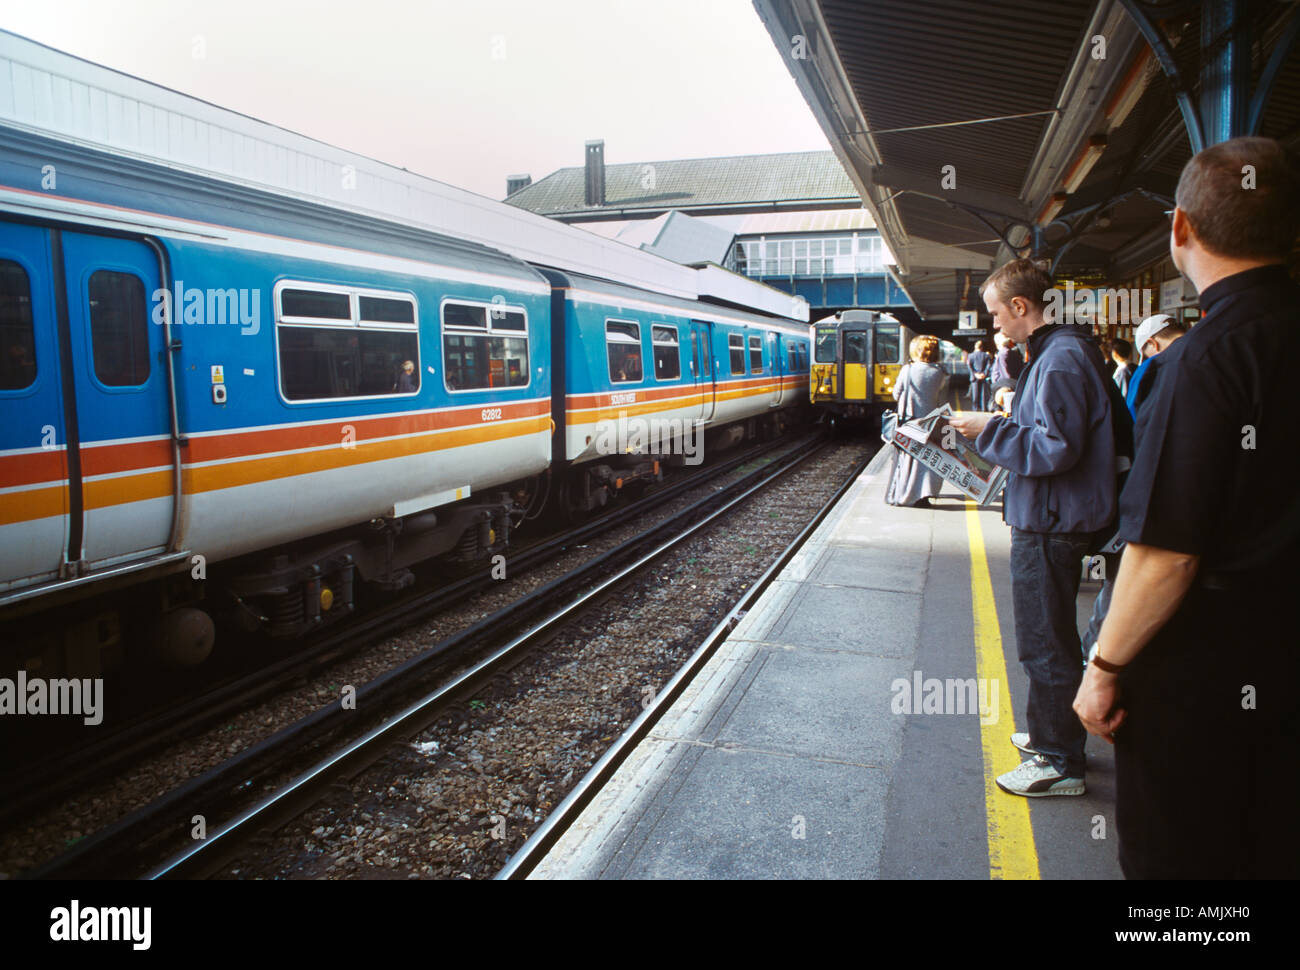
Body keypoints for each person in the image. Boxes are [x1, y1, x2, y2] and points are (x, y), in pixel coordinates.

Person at [1073, 136, 1300, 879]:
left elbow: (1167, 553)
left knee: (1185, 865)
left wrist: (1103, 666)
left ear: (1179, 228)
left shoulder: (1201, 362)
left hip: (1208, 672)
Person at [949, 259, 1118, 797]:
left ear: (1021, 307)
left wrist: (988, 429)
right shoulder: (1063, 350)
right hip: (1055, 514)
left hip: (1051, 520)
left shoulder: (1062, 358)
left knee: (1044, 642)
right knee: (1052, 638)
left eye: (997, 314)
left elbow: (1054, 448)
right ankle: (1054, 735)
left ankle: (1056, 760)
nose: (995, 324)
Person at [884, 334, 948, 509]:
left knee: (908, 459)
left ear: (916, 351)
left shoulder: (908, 370)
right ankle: (924, 495)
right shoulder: (940, 372)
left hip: (910, 422)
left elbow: (896, 394)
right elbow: (941, 396)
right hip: (932, 422)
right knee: (927, 460)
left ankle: (906, 494)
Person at [1124, 313, 1188, 418]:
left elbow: (1133, 413)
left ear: (1152, 343)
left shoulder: (1148, 368)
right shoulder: (1204, 355)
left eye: (1146, 355)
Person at [967, 339, 992, 411]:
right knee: (983, 394)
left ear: (975, 347)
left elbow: (969, 366)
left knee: (975, 395)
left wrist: (975, 374)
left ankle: (975, 409)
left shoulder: (970, 356)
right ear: (982, 347)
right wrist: (984, 374)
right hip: (983, 377)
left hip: (974, 378)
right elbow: (988, 366)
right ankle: (984, 408)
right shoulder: (986, 355)